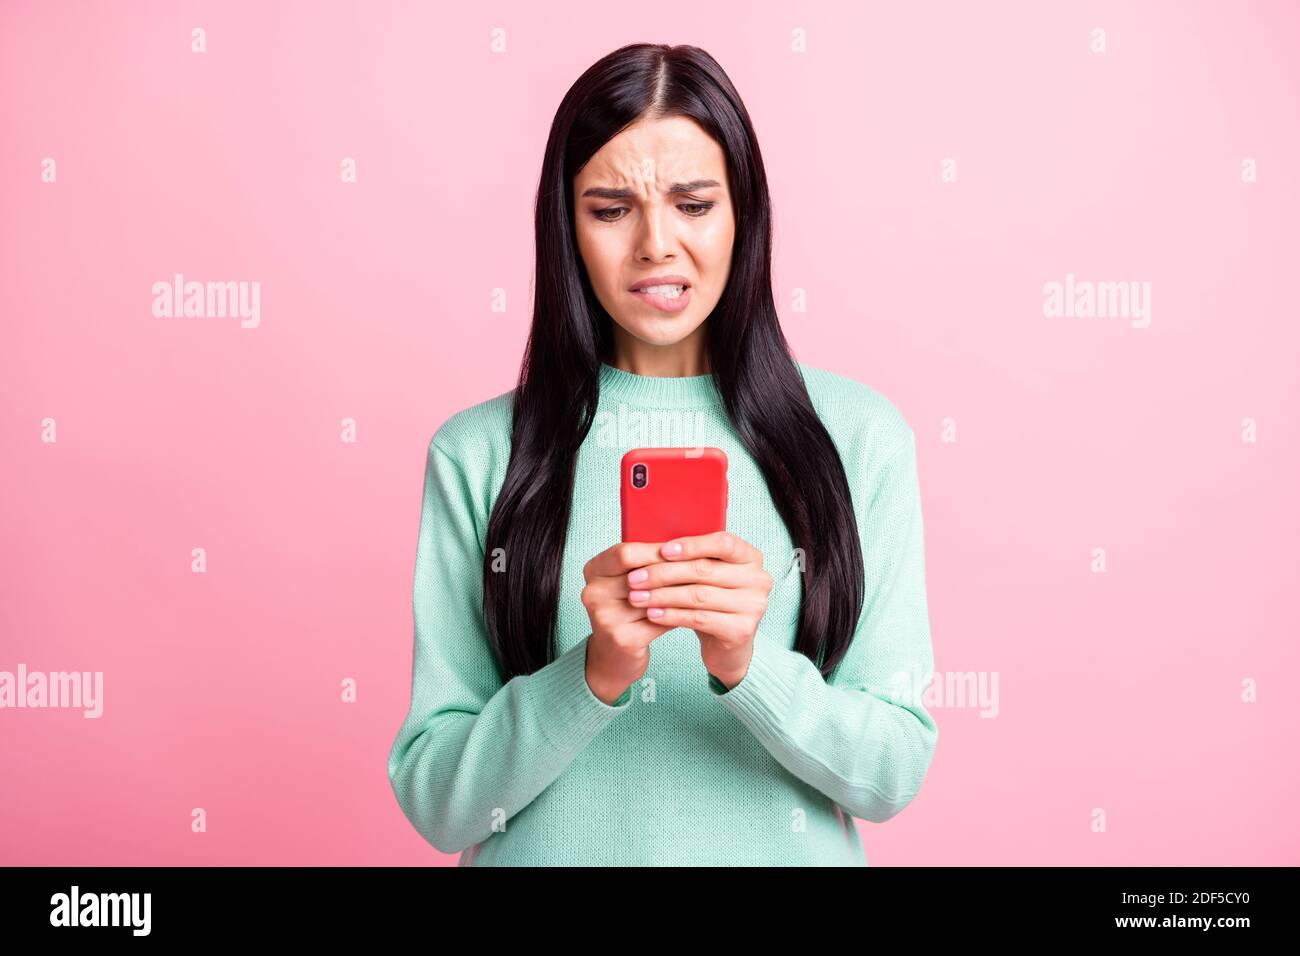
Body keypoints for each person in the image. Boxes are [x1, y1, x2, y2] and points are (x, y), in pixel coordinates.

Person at [386, 42, 938, 866]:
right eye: (610, 209)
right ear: (564, 228)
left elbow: (891, 774)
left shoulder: (860, 438)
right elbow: (440, 804)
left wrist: (750, 668)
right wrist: (593, 672)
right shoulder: (477, 453)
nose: (656, 245)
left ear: (743, 215)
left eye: (693, 204)